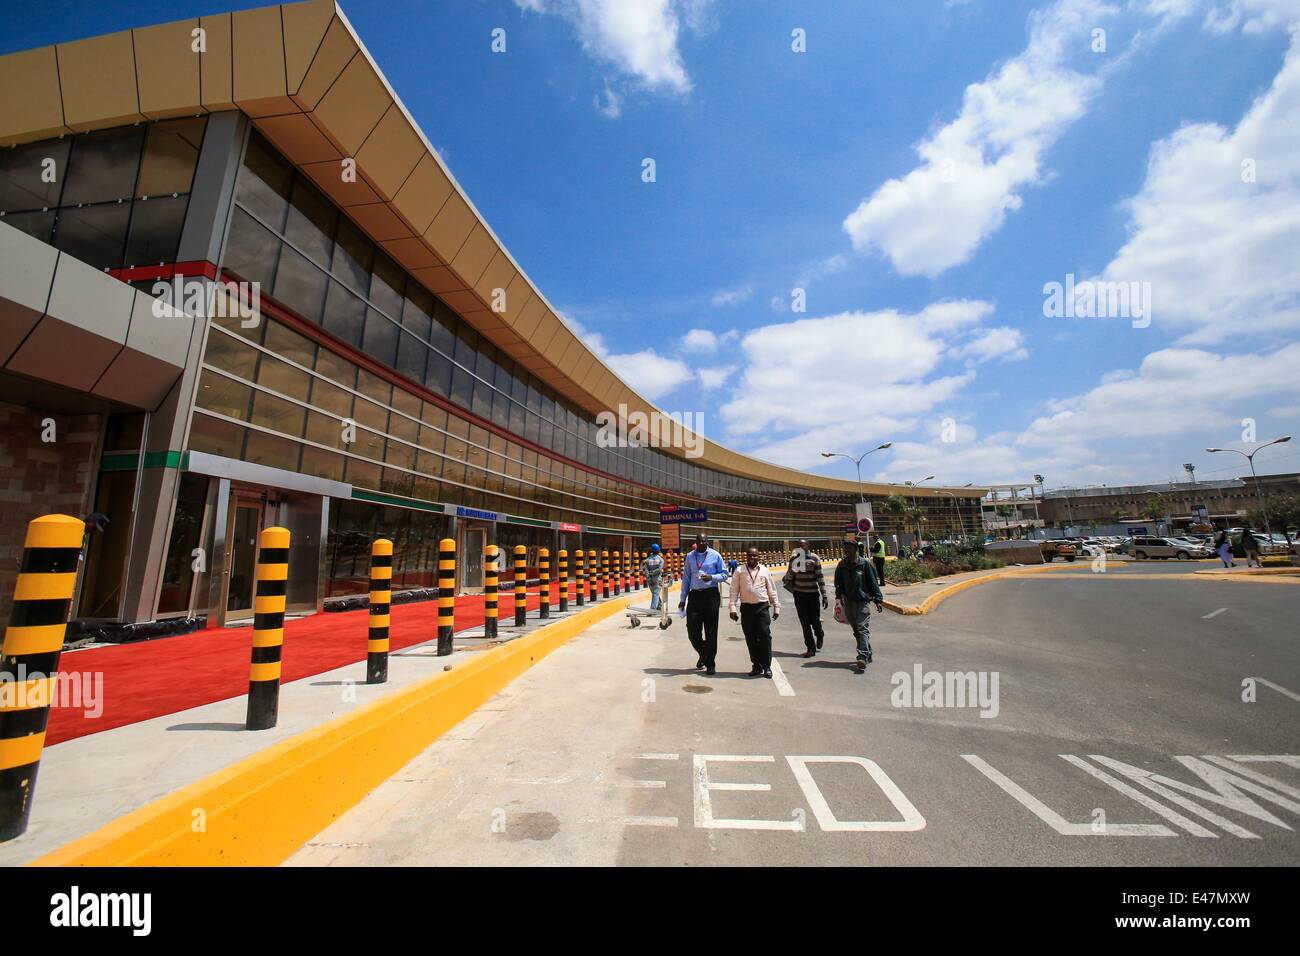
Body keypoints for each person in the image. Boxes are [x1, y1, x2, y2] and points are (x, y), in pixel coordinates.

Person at [679, 533, 727, 675]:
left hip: (711, 595)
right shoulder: (689, 557)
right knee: (692, 630)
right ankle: (704, 653)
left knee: (711, 631)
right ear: (696, 542)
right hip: (695, 595)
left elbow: (724, 574)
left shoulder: (715, 555)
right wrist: (683, 599)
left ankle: (710, 663)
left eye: (705, 541)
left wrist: (711, 577)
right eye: (700, 541)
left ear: (708, 542)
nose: (702, 543)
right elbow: (686, 578)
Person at [834, 535, 884, 670]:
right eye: (845, 548)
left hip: (863, 602)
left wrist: (878, 600)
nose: (847, 551)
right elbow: (838, 583)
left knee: (862, 629)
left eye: (849, 548)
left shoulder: (864, 564)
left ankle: (862, 656)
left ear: (856, 549)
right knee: (857, 631)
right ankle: (868, 652)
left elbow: (873, 582)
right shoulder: (842, 565)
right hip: (848, 602)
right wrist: (839, 598)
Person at [729, 547, 781, 678]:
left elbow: (772, 590)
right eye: (750, 556)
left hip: (762, 608)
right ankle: (756, 665)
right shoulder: (739, 571)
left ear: (759, 557)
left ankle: (767, 666)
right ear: (746, 557)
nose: (752, 558)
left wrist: (776, 606)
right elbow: (734, 590)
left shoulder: (764, 571)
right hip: (746, 609)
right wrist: (732, 608)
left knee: (764, 637)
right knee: (750, 638)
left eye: (755, 556)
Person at [786, 538, 827, 657]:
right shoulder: (794, 559)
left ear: (808, 546)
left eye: (803, 546)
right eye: (799, 546)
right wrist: (793, 571)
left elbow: (820, 577)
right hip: (799, 595)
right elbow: (788, 577)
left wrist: (824, 595)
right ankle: (810, 648)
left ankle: (819, 634)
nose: (801, 549)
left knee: (815, 621)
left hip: (813, 595)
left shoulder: (815, 558)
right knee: (804, 623)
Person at [643, 544, 665, 610]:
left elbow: (646, 571)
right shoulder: (661, 560)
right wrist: (653, 573)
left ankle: (660, 606)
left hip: (649, 579)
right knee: (655, 594)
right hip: (657, 579)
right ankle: (652, 609)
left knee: (655, 593)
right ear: (658, 551)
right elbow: (659, 569)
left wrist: (649, 578)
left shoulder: (647, 560)